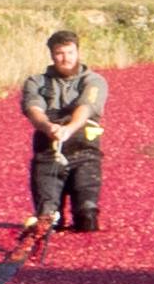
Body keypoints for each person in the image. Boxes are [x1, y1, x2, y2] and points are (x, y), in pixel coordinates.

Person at [17, 29, 107, 235]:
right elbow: (34, 109)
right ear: (52, 55)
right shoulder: (36, 82)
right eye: (60, 53)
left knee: (87, 216)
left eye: (70, 52)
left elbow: (87, 107)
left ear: (78, 52)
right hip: (48, 152)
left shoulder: (94, 81)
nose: (65, 58)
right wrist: (48, 127)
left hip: (85, 152)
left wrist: (69, 128)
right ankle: (50, 213)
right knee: (48, 220)